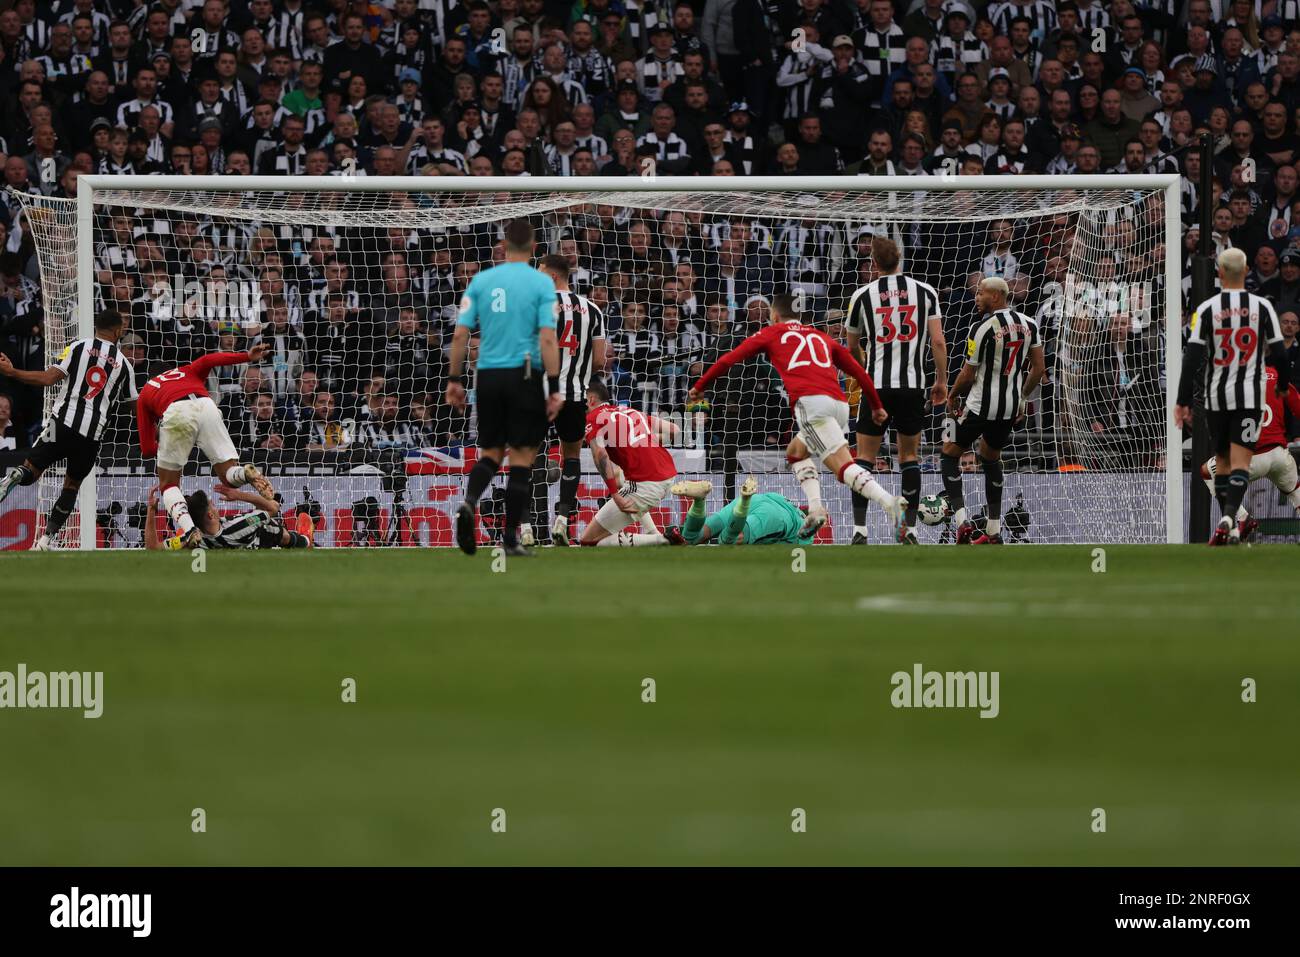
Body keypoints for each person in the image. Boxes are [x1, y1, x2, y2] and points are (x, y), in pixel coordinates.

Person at [689, 293, 900, 537]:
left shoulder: (772, 333)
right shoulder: (821, 337)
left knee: (842, 466)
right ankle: (816, 509)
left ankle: (889, 502)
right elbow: (860, 372)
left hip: (811, 405)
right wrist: (876, 405)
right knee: (796, 452)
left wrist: (700, 385)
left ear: (774, 316)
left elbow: (728, 359)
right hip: (839, 405)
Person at [445, 219, 563, 557]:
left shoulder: (481, 281)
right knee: (522, 458)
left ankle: (469, 501)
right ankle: (510, 539)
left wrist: (455, 380)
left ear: (504, 245)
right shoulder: (541, 284)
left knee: (491, 453)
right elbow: (547, 337)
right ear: (535, 247)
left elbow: (460, 335)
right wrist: (554, 387)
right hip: (524, 375)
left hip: (488, 378)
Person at [1176, 248, 1290, 545]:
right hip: (1250, 396)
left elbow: (1191, 358)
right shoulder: (1263, 306)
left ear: (1220, 273)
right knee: (1241, 462)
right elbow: (1280, 352)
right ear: (1247, 269)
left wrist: (1182, 400)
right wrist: (1282, 384)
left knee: (1222, 461)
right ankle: (1230, 518)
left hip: (1217, 397)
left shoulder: (1206, 309)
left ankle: (1231, 519)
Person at [0, 308, 136, 550]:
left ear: (96, 327)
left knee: (31, 468)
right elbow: (134, 405)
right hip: (91, 435)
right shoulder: (125, 365)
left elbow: (48, 378)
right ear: (118, 331)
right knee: (71, 485)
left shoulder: (77, 347)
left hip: (60, 423)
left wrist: (12, 372)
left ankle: (17, 474)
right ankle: (45, 541)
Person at [844, 236, 948, 545]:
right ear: (900, 258)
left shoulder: (862, 296)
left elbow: (851, 347)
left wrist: (864, 373)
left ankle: (860, 530)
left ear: (873, 263)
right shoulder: (925, 292)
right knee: (909, 458)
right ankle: (909, 530)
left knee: (863, 459)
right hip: (912, 387)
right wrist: (941, 380)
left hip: (877, 387)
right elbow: (938, 342)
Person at [137, 343, 276, 549]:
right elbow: (210, 359)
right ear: (172, 370)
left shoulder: (146, 392)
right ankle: (246, 473)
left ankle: (190, 530)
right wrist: (246, 356)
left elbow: (147, 450)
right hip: (207, 405)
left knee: (169, 485)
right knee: (229, 475)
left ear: (151, 378)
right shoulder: (187, 371)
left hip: (175, 413)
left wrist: (165, 438)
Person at [942, 277, 1046, 545]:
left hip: (978, 406)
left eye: (981, 293)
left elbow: (967, 373)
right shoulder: (1030, 324)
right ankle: (993, 530)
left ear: (996, 297)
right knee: (990, 457)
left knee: (948, 455)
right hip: (1009, 407)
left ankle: (962, 522)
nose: (977, 298)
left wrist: (952, 396)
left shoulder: (983, 327)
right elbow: (1038, 368)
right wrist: (1022, 397)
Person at [534, 253, 606, 547]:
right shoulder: (593, 310)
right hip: (576, 394)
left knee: (532, 458)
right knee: (572, 457)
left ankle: (530, 526)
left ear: (552, 277)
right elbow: (600, 361)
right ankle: (563, 519)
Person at [1199, 355, 1300, 540]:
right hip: (1279, 455)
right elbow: (1297, 406)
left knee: (1207, 471)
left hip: (1251, 457)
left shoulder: (1233, 384)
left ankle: (1242, 518)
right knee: (1295, 492)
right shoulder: (1275, 375)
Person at [580, 380, 685, 547]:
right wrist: (648, 442)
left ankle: (664, 539)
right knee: (621, 477)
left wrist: (614, 494)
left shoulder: (593, 417)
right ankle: (654, 533)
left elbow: (600, 455)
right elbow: (674, 430)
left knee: (588, 540)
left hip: (645, 483)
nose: (579, 403)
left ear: (591, 399)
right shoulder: (630, 411)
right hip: (668, 475)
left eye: (581, 398)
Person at [142, 481, 314, 550]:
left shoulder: (190, 539)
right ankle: (304, 539)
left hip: (222, 540)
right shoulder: (243, 525)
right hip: (256, 538)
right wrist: (239, 495)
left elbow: (152, 548)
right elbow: (273, 508)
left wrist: (152, 510)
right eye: (213, 505)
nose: (216, 507)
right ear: (210, 515)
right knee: (274, 528)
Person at [674, 476, 816, 546]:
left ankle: (699, 501)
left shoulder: (788, 503)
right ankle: (744, 502)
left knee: (692, 537)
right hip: (771, 516)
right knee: (729, 541)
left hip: (758, 499)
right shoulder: (806, 536)